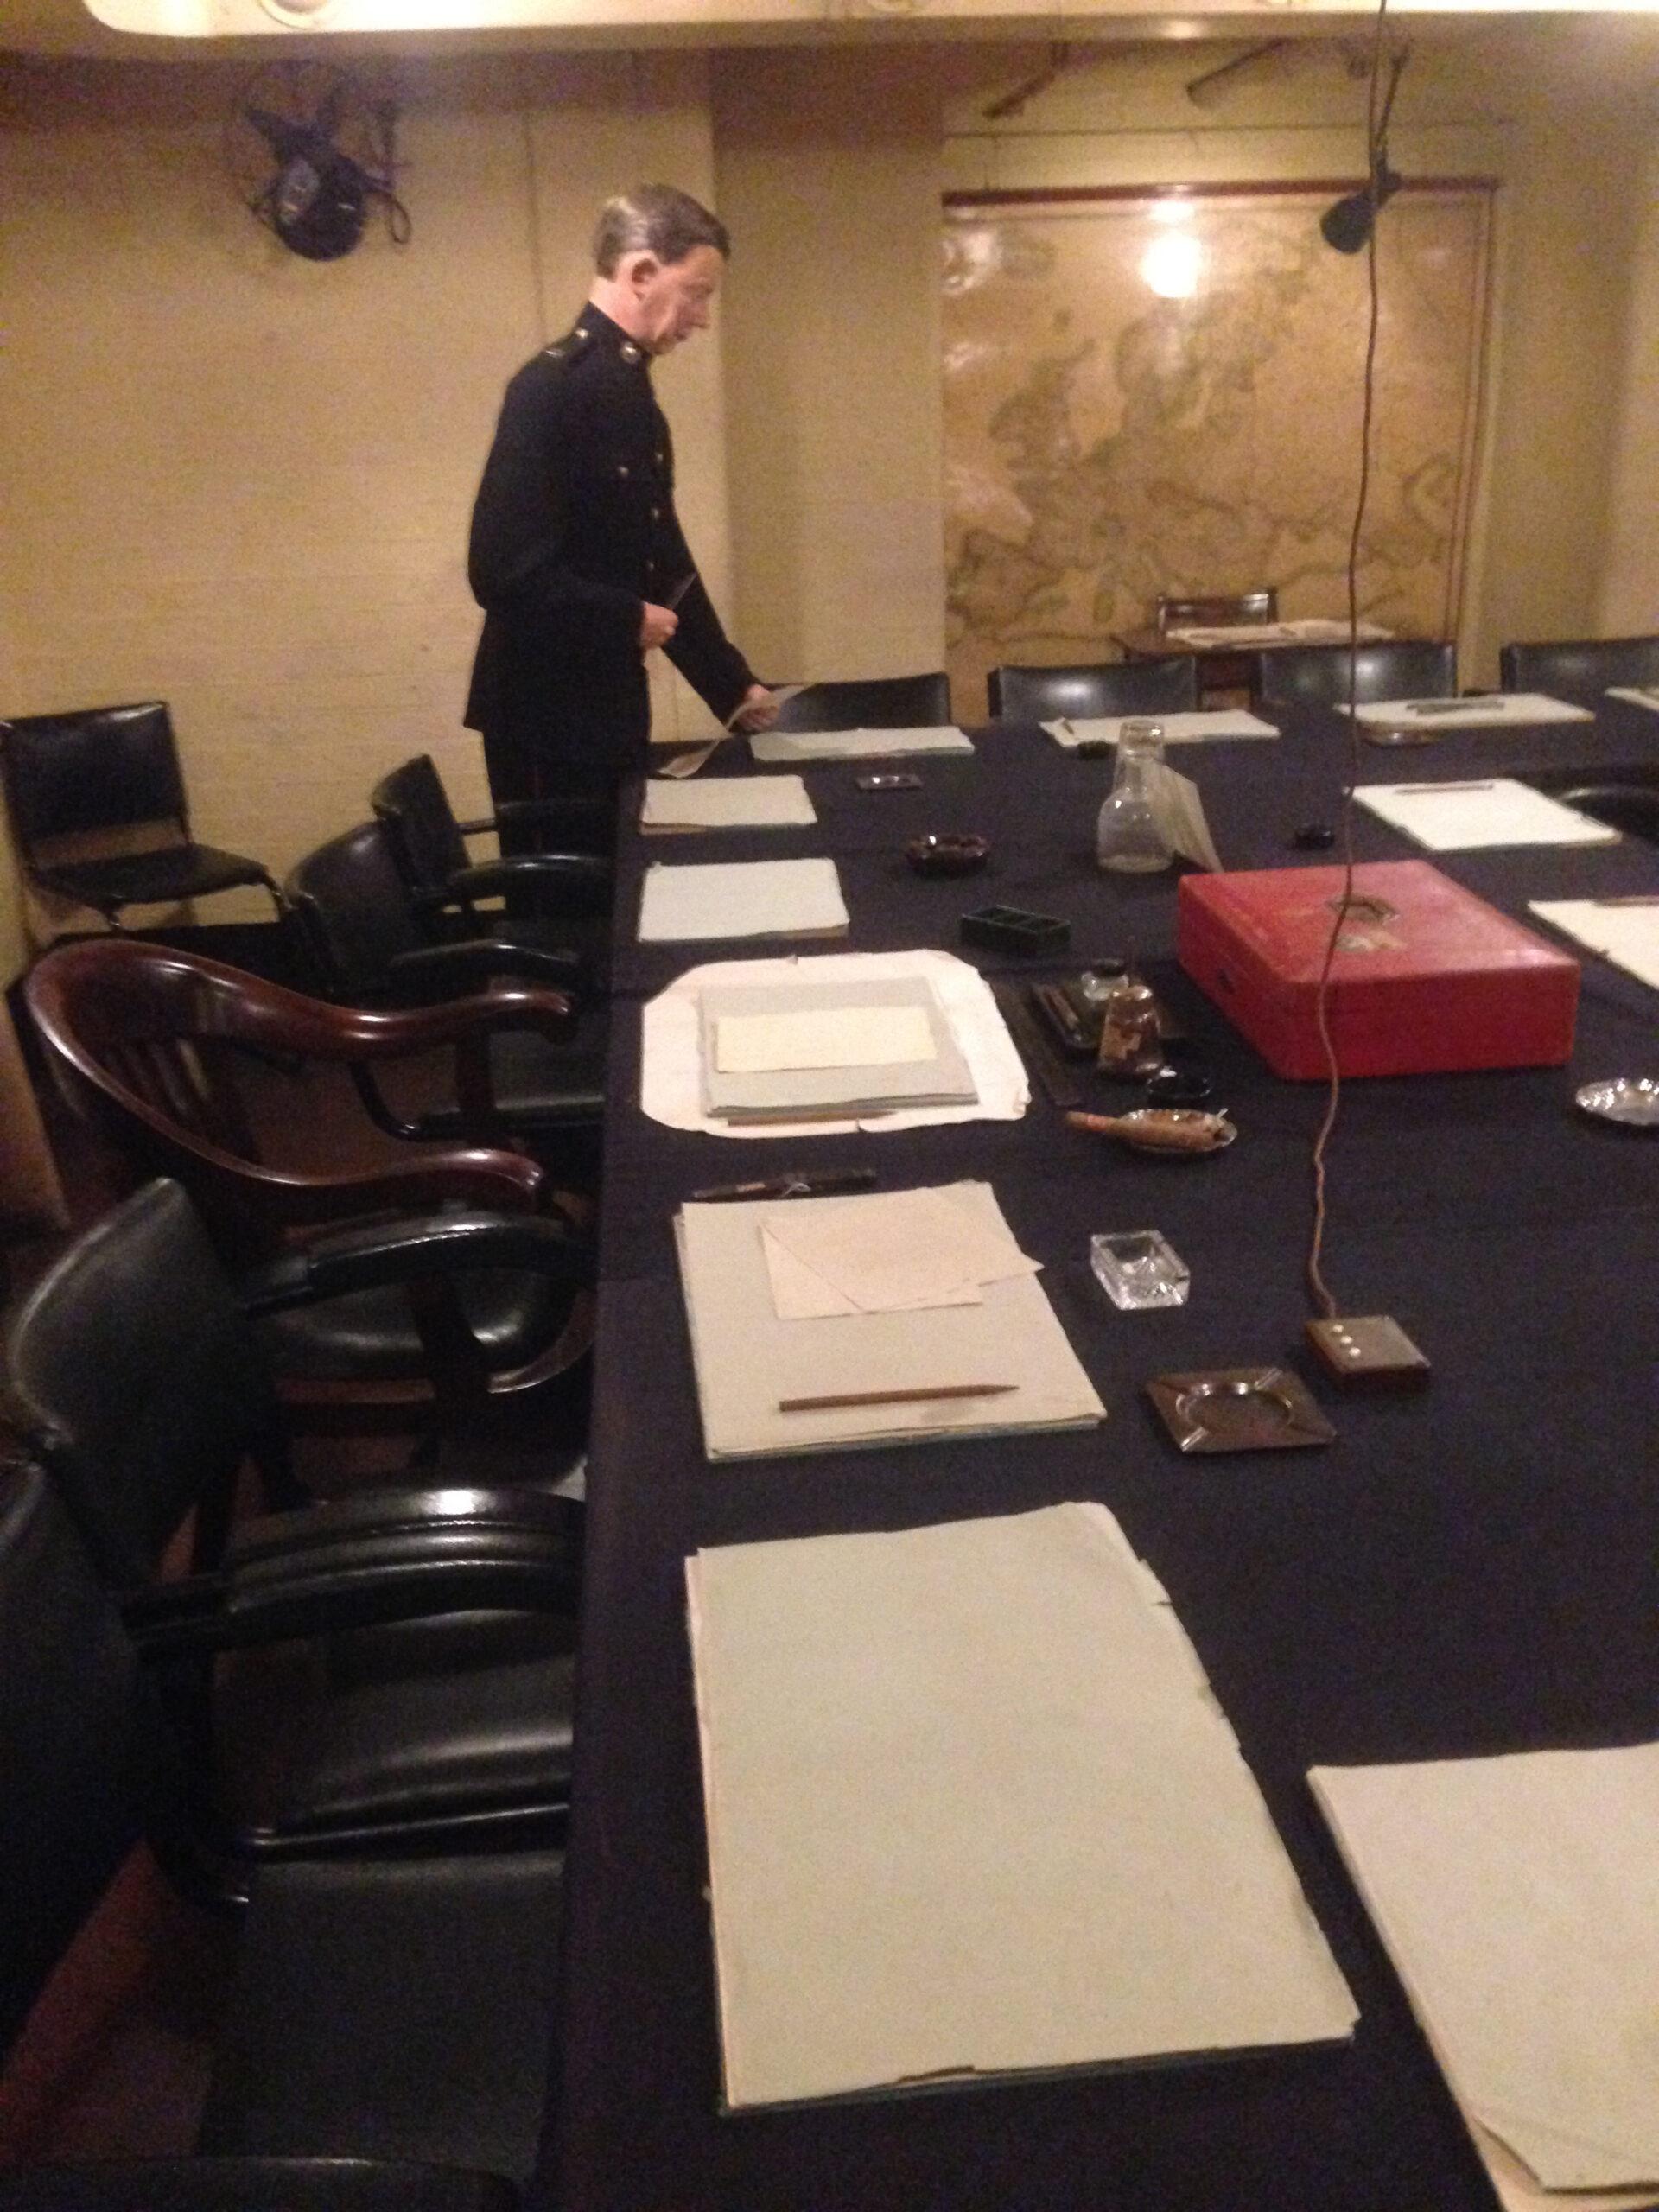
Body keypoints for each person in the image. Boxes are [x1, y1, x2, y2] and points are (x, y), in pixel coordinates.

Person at [463, 183, 777, 847]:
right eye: (696, 292)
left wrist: (730, 685)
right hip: (545, 719)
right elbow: (501, 572)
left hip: (600, 709)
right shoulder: (552, 388)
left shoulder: (623, 388)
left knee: (614, 897)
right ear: (640, 272)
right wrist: (626, 616)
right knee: (573, 919)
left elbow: (665, 559)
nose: (703, 316)